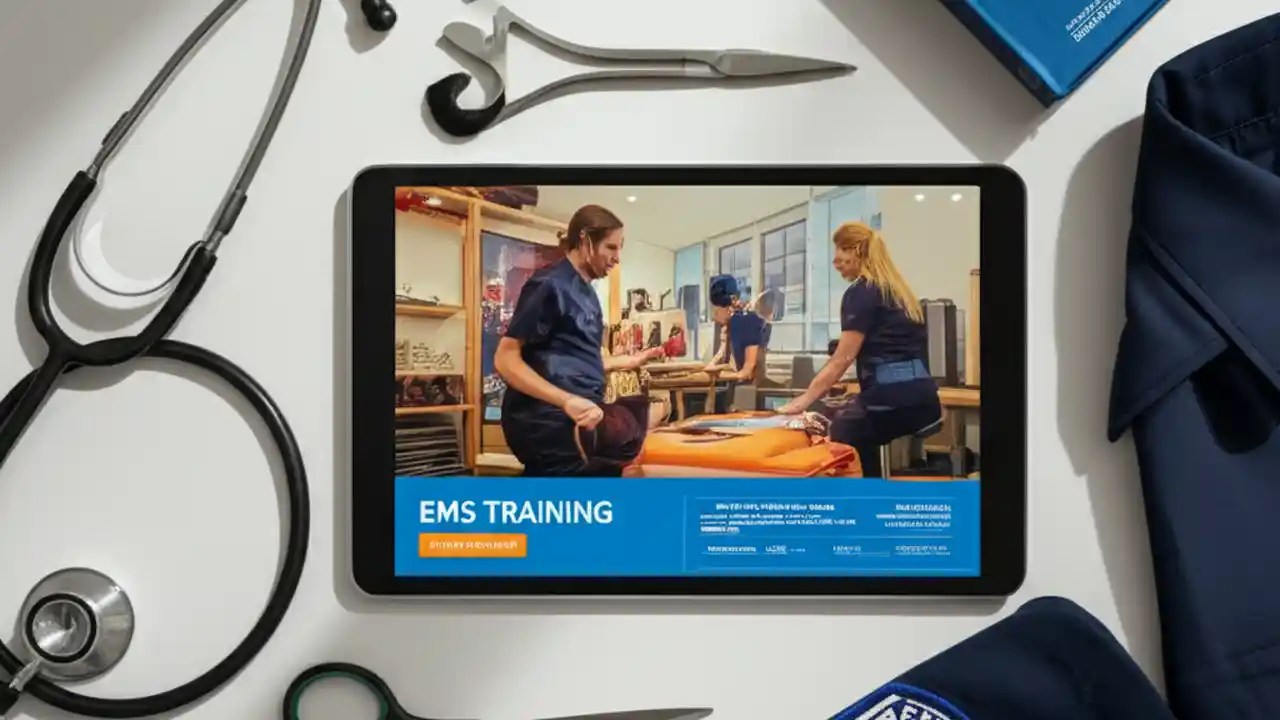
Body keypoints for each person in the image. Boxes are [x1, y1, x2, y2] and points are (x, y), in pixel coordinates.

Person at [493, 204, 664, 477]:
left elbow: (574, 359)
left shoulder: (589, 295)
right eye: (611, 247)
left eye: (619, 248)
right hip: (547, 421)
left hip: (581, 413)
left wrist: (628, 361)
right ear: (585, 240)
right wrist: (565, 400)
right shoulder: (548, 284)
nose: (617, 257)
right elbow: (505, 359)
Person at [775, 221, 941, 478]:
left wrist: (804, 400)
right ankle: (873, 496)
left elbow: (842, 358)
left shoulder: (861, 292)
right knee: (851, 424)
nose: (835, 262)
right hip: (926, 402)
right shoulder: (901, 293)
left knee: (841, 430)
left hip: (892, 403)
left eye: (840, 251)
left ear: (857, 250)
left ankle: (860, 506)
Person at [698, 275, 772, 413]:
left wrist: (717, 374)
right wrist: (709, 368)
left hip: (751, 391)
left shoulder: (746, 322)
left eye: (716, 311)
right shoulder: (732, 325)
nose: (714, 317)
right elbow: (721, 354)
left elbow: (747, 372)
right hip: (739, 388)